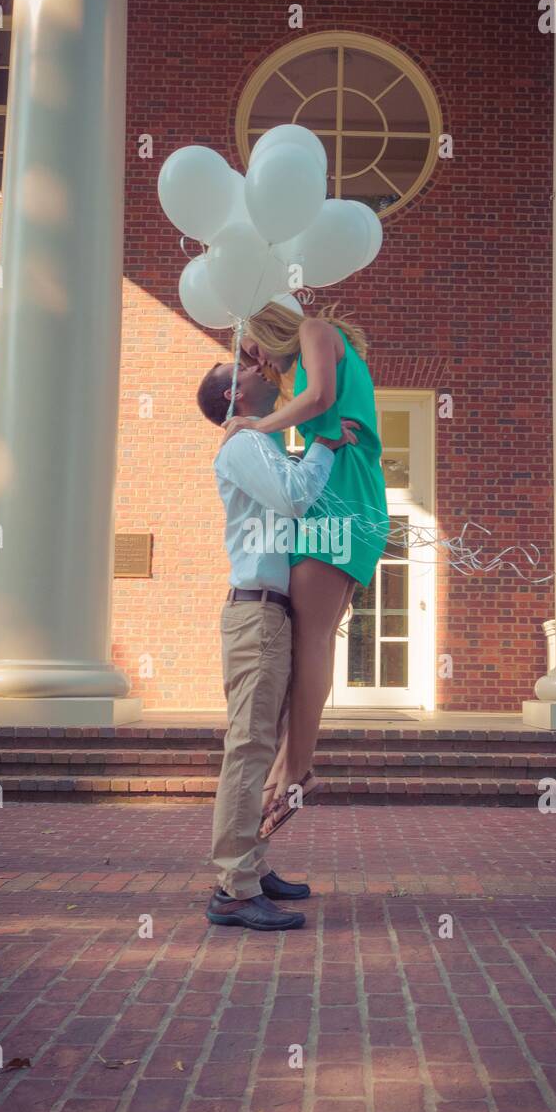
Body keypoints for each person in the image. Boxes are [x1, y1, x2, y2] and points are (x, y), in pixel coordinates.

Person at [196, 355, 358, 931]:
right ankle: (232, 889)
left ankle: (252, 866)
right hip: (257, 616)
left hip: (273, 615)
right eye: (244, 365)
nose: (262, 367)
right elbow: (294, 497)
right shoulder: (243, 445)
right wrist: (326, 446)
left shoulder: (259, 439)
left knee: (261, 745)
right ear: (235, 395)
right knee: (249, 747)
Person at [222, 302, 389, 838]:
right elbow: (317, 406)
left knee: (312, 638)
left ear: (269, 327)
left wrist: (255, 423)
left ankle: (295, 770)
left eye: (253, 348)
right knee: (310, 638)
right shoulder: (317, 355)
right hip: (343, 491)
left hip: (343, 493)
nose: (259, 362)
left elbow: (319, 399)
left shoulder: (317, 329)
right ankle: (288, 769)